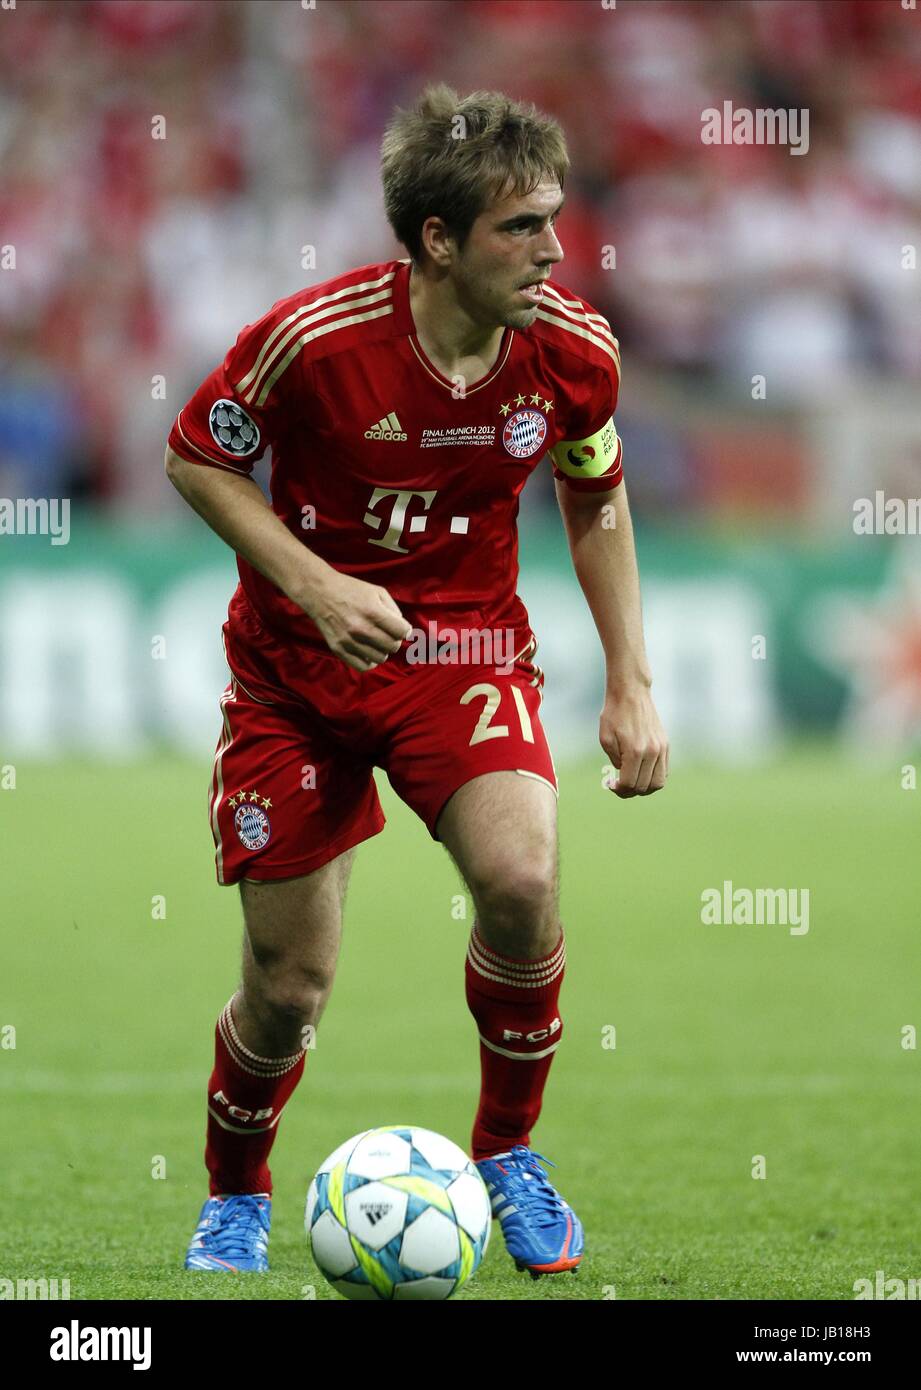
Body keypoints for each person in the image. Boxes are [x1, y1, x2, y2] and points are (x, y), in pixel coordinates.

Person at [165, 84, 668, 1282]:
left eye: (556, 220)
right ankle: (235, 1193)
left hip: (467, 651)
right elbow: (195, 457)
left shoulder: (572, 350)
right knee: (290, 988)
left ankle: (507, 1149)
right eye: (521, 228)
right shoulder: (316, 342)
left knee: (523, 874)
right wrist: (317, 586)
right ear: (437, 241)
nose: (555, 249)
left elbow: (594, 492)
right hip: (295, 674)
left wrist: (632, 681)